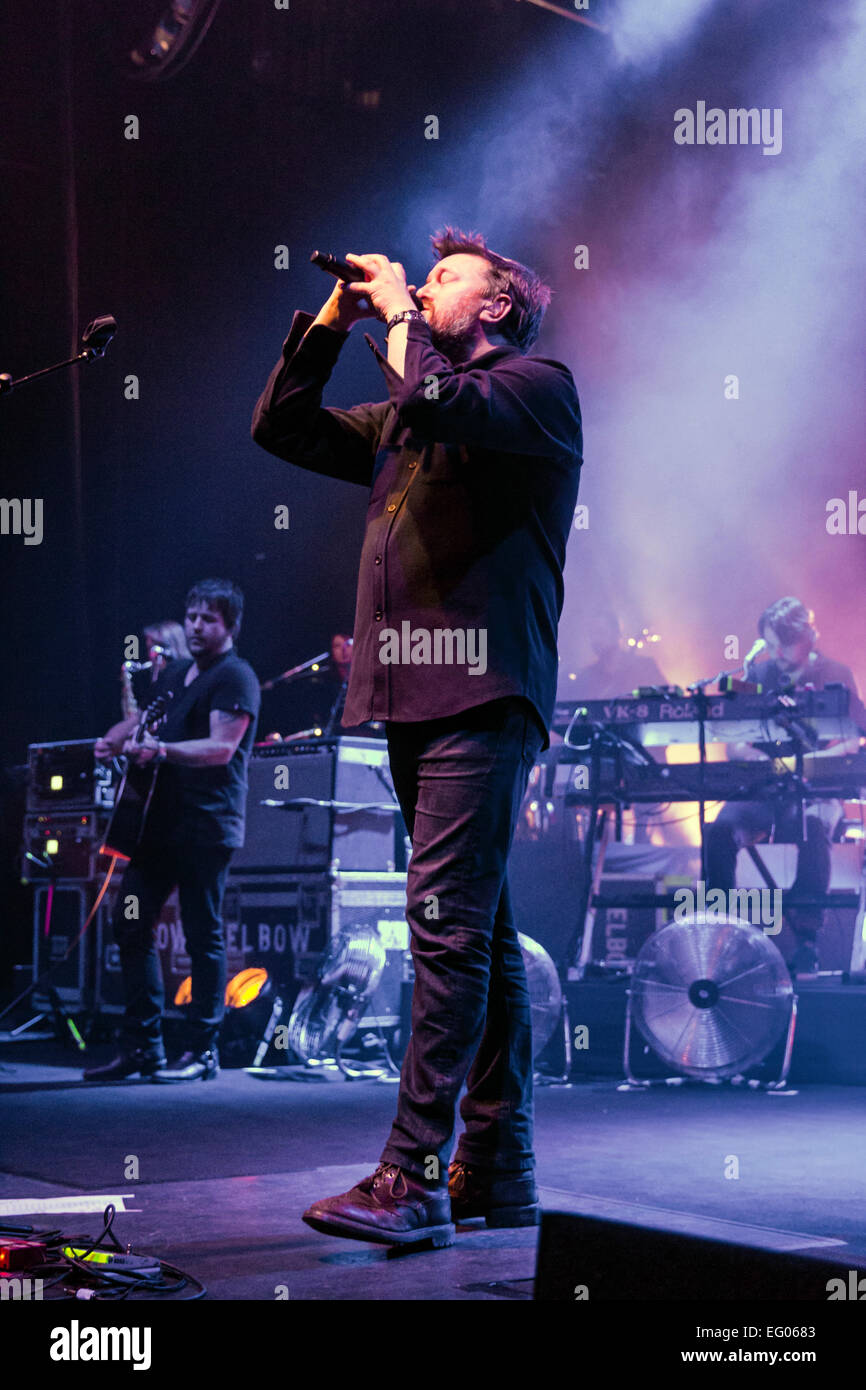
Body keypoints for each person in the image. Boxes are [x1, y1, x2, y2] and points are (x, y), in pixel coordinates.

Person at [252, 226, 582, 1246]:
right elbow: (282, 428)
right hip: (410, 693)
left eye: (446, 278)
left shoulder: (535, 386)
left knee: (441, 929)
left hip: (481, 692)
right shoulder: (413, 416)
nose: (422, 284)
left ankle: (411, 1178)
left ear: (492, 306)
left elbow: (440, 397)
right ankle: (497, 1169)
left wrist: (397, 314)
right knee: (476, 937)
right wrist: (328, 324)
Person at [84, 580, 260, 1082]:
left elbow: (221, 748)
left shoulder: (235, 677)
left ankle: (202, 1050)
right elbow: (145, 720)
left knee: (202, 934)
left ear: (230, 626)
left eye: (209, 619)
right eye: (192, 616)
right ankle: (144, 1045)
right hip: (158, 826)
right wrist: (113, 739)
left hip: (206, 826)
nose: (197, 626)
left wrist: (161, 751)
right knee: (131, 920)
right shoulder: (179, 672)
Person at [706, 596, 863, 974]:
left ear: (808, 636)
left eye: (782, 643)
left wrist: (805, 763)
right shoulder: (758, 677)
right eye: (769, 643)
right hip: (765, 791)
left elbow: (855, 738)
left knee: (814, 828)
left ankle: (807, 939)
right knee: (719, 831)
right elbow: (735, 742)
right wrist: (759, 758)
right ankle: (721, 935)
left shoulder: (836, 673)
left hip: (816, 788)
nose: (774, 651)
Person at [570, 610, 667, 699]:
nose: (596, 640)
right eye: (592, 634)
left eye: (601, 632)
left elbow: (668, 702)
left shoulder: (646, 667)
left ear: (617, 634)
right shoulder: (586, 676)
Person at [120, 620, 190, 719]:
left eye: (152, 649)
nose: (150, 656)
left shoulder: (187, 677)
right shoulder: (159, 684)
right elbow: (137, 719)